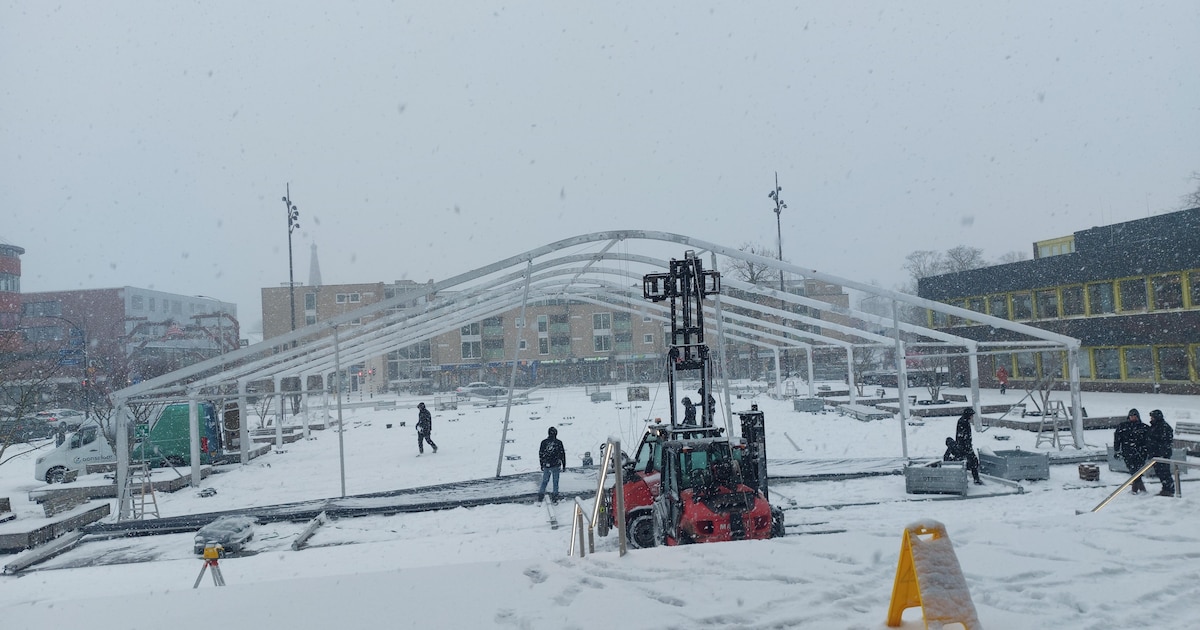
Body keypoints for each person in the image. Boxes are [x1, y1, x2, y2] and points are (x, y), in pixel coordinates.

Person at [1114, 408, 1149, 494]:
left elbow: (1148, 440)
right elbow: (1117, 439)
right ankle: (1140, 488)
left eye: (1134, 416)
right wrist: (1117, 450)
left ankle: (1136, 489)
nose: (1133, 418)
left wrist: (1147, 450)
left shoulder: (1144, 427)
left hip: (1141, 452)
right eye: (1131, 416)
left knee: (1137, 471)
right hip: (1127, 452)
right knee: (1133, 470)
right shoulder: (1123, 426)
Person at [1147, 409, 1176, 496]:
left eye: (1152, 417)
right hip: (1156, 454)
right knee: (1160, 472)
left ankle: (1168, 489)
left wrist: (1161, 453)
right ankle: (1166, 488)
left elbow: (1165, 442)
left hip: (1161, 454)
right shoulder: (1156, 426)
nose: (1151, 419)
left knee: (1164, 472)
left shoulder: (1163, 427)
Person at [537, 426, 566, 504]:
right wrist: (564, 465)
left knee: (545, 481)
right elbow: (562, 454)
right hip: (556, 465)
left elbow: (541, 454)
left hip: (547, 465)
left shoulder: (544, 442)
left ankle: (540, 496)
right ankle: (555, 497)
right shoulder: (559, 442)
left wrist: (541, 464)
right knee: (555, 482)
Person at [955, 407, 982, 484]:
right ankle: (976, 479)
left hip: (963, 446)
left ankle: (965, 478)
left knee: (970, 462)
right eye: (971, 415)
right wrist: (968, 448)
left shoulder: (962, 421)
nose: (972, 417)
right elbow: (964, 436)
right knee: (973, 462)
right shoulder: (964, 423)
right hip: (965, 447)